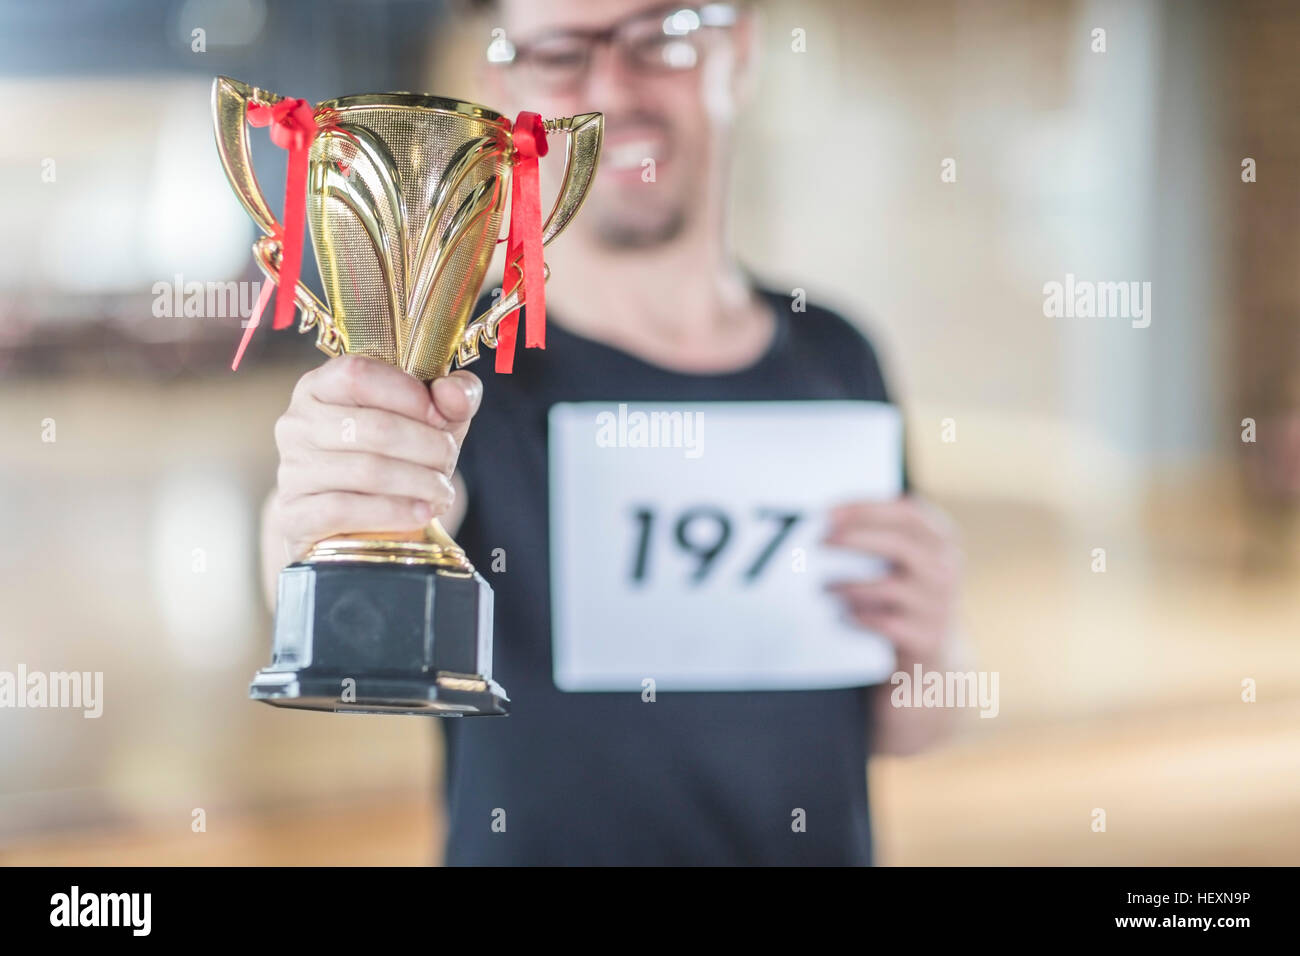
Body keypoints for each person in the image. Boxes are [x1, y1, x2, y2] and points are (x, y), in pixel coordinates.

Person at [261, 0, 964, 865]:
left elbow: (907, 726)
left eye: (658, 37)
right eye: (561, 52)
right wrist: (313, 527)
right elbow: (348, 594)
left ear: (736, 49)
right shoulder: (456, 369)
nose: (613, 89)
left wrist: (935, 640)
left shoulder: (839, 355)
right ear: (502, 86)